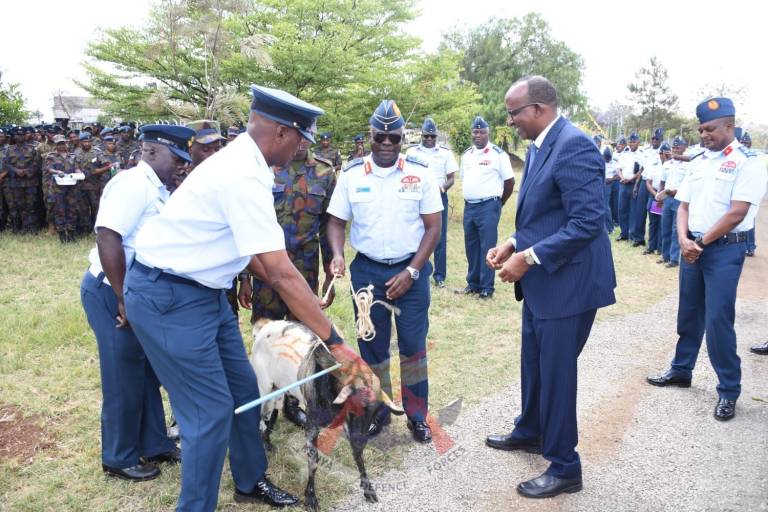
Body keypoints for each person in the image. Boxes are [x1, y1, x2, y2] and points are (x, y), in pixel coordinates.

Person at [123, 84, 377, 511]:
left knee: (244, 391)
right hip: (169, 298)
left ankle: (249, 481)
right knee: (209, 414)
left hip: (203, 294)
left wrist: (294, 294)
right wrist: (335, 342)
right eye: (301, 137)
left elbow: (260, 259)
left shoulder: (250, 165)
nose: (302, 147)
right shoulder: (241, 173)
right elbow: (279, 271)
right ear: (280, 133)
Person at [485, 75, 616, 499]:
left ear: (538, 109)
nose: (510, 121)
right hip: (545, 284)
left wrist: (528, 258)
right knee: (535, 363)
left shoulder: (574, 144)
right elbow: (548, 216)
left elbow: (587, 222)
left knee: (557, 374)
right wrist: (513, 242)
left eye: (514, 112)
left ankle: (564, 466)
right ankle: (532, 429)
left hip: (569, 284)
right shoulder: (543, 144)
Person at [326, 99, 443, 443]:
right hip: (367, 274)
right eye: (381, 137)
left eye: (394, 138)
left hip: (412, 271)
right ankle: (379, 411)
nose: (387, 144)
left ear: (402, 138)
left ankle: (417, 415)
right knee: (372, 348)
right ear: (371, 135)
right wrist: (336, 254)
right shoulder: (351, 174)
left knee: (412, 346)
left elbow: (433, 228)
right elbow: (335, 222)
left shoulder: (419, 172)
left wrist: (413, 271)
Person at [646, 97, 767, 421]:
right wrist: (684, 239)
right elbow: (682, 204)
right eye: (701, 129)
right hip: (694, 249)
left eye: (710, 129)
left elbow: (737, 212)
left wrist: (697, 242)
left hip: (725, 250)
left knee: (717, 321)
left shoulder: (750, 162)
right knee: (688, 314)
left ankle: (728, 389)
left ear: (729, 126)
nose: (704, 135)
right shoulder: (698, 162)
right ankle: (681, 370)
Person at [81, 125, 186, 482]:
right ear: (153, 152)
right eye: (177, 158)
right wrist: (122, 296)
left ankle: (154, 442)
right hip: (110, 290)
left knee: (146, 369)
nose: (181, 166)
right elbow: (108, 236)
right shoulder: (132, 185)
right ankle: (118, 456)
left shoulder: (157, 188)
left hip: (133, 291)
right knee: (123, 373)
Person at [238, 132, 336, 428]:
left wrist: (331, 267)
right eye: (299, 135)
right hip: (266, 270)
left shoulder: (325, 172)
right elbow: (247, 229)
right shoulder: (263, 170)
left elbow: (328, 224)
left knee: (299, 339)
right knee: (266, 335)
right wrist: (244, 277)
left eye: (309, 135)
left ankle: (293, 401)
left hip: (304, 272)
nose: (303, 141)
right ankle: (267, 407)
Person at [458, 116, 515, 299]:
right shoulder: (466, 155)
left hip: (489, 207)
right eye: (475, 132)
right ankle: (473, 283)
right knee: (471, 246)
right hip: (470, 207)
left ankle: (486, 288)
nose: (478, 135)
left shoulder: (498, 155)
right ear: (471, 133)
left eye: (482, 132)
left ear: (488, 133)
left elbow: (510, 182)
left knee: (487, 247)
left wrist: (499, 203)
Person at [406, 117, 458, 287]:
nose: (429, 139)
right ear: (421, 136)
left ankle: (440, 276)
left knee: (439, 236)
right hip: (415, 198)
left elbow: (451, 178)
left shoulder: (445, 153)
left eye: (432, 136)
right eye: (426, 136)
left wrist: (441, 189)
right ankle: (416, 270)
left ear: (436, 137)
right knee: (416, 234)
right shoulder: (412, 152)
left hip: (438, 197)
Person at [44, 135, 84, 243]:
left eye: (63, 143)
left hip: (72, 186)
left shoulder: (72, 156)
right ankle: (62, 235)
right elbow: (49, 168)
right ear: (56, 145)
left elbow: (76, 167)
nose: (61, 146)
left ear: (66, 143)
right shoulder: (51, 156)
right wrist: (57, 172)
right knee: (60, 211)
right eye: (59, 144)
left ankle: (71, 234)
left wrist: (78, 172)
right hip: (58, 187)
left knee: (72, 210)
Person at [657, 136, 689, 267]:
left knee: (676, 229)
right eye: (674, 147)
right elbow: (662, 182)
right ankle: (665, 255)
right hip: (667, 199)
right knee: (665, 227)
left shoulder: (689, 164)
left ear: (684, 148)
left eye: (678, 147)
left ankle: (674, 259)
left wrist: (677, 192)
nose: (675, 149)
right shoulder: (667, 163)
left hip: (680, 199)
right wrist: (660, 197)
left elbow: (689, 184)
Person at [2, 126, 41, 233]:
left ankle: (32, 227)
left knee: (32, 205)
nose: (20, 136)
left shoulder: (32, 149)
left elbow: (36, 163)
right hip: (16, 182)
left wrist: (27, 171)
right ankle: (23, 227)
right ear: (15, 136)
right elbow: (6, 164)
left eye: (22, 134)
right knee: (20, 205)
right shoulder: (9, 150)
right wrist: (16, 171)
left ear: (25, 136)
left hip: (30, 182)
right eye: (18, 135)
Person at [76, 131, 112, 230]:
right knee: (82, 208)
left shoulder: (97, 152)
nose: (87, 144)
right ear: (80, 142)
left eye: (88, 141)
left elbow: (107, 165)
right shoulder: (76, 152)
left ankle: (96, 228)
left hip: (94, 185)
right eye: (84, 141)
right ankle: (85, 228)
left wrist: (97, 171)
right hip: (80, 185)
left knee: (96, 207)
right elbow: (74, 165)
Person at [643, 140, 668, 255]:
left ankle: (660, 248)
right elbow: (648, 182)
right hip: (654, 196)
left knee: (662, 223)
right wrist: (656, 195)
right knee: (653, 222)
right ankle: (651, 246)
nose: (664, 155)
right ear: (660, 154)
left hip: (666, 197)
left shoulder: (671, 165)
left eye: (667, 153)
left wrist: (662, 196)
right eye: (662, 153)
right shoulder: (654, 165)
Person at [616, 135, 640, 241]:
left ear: (638, 142)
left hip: (634, 184)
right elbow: (618, 169)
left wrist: (631, 179)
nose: (631, 144)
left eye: (634, 142)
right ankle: (623, 233)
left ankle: (632, 234)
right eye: (630, 142)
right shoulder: (624, 154)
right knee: (622, 209)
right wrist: (622, 178)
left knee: (633, 210)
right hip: (623, 184)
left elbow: (642, 170)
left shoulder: (642, 155)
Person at [603, 146, 618, 234]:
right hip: (599, 183)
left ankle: (610, 228)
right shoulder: (600, 160)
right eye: (606, 158)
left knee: (605, 206)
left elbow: (618, 175)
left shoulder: (614, 163)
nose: (607, 160)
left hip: (608, 185)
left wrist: (611, 179)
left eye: (608, 158)